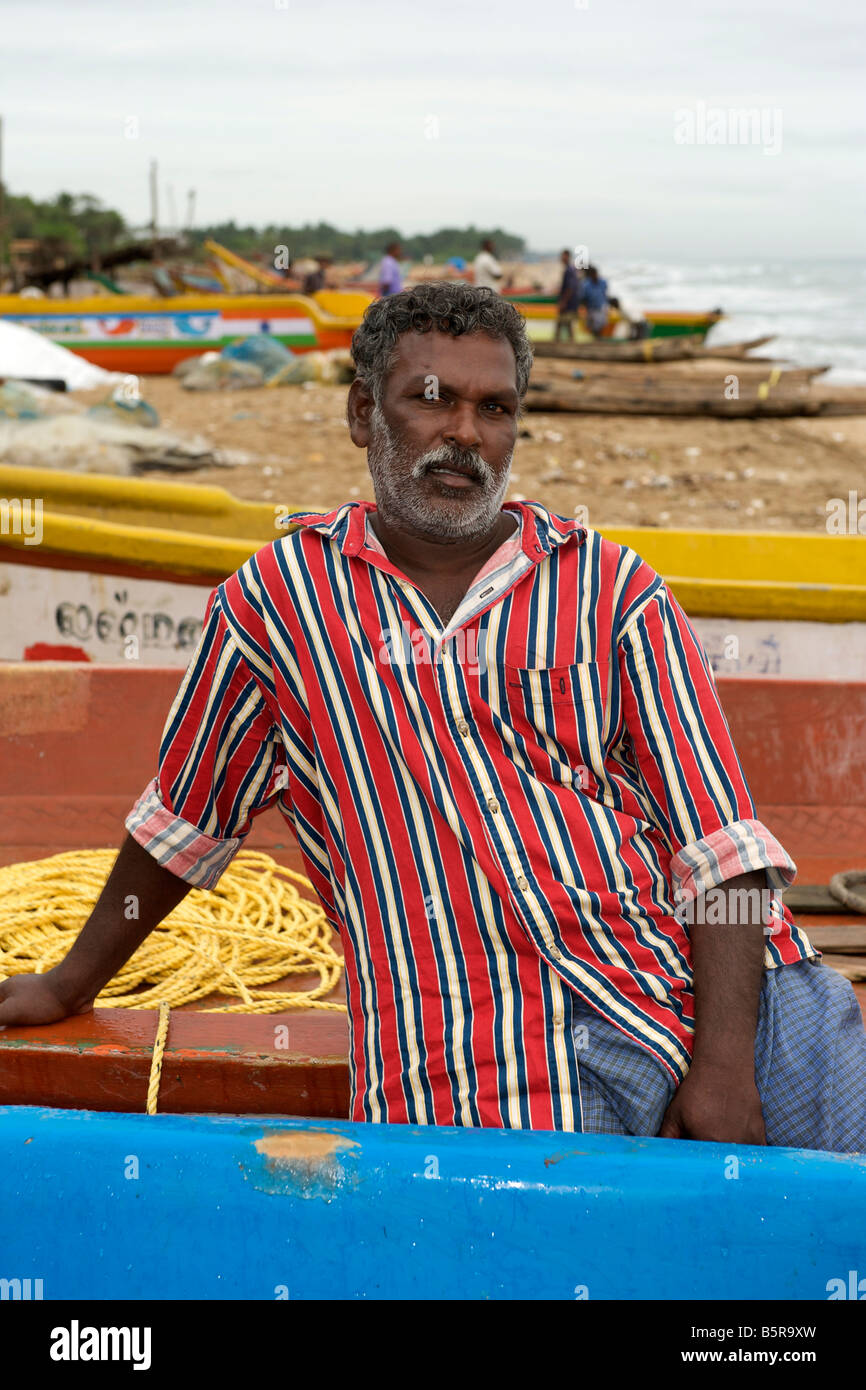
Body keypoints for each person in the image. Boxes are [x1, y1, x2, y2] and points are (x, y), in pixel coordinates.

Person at [2, 282, 863, 1152]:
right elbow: (182, 824)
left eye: (495, 409)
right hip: (481, 1053)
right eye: (431, 400)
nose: (464, 434)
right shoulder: (276, 605)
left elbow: (719, 847)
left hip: (723, 999)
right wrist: (70, 984)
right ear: (361, 412)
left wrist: (722, 1065)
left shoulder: (613, 588)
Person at [554, 248, 582, 341]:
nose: (561, 258)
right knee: (567, 324)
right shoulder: (571, 269)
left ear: (567, 256)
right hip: (570, 303)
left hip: (568, 304)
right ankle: (570, 343)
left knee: (561, 323)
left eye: (563, 256)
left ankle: (557, 344)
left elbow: (570, 288)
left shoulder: (569, 270)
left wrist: (563, 302)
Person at [579, 264, 610, 337]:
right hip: (591, 308)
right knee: (594, 326)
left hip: (601, 307)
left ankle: (598, 337)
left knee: (600, 324)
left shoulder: (603, 282)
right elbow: (584, 298)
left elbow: (605, 294)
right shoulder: (586, 284)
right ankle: (596, 337)